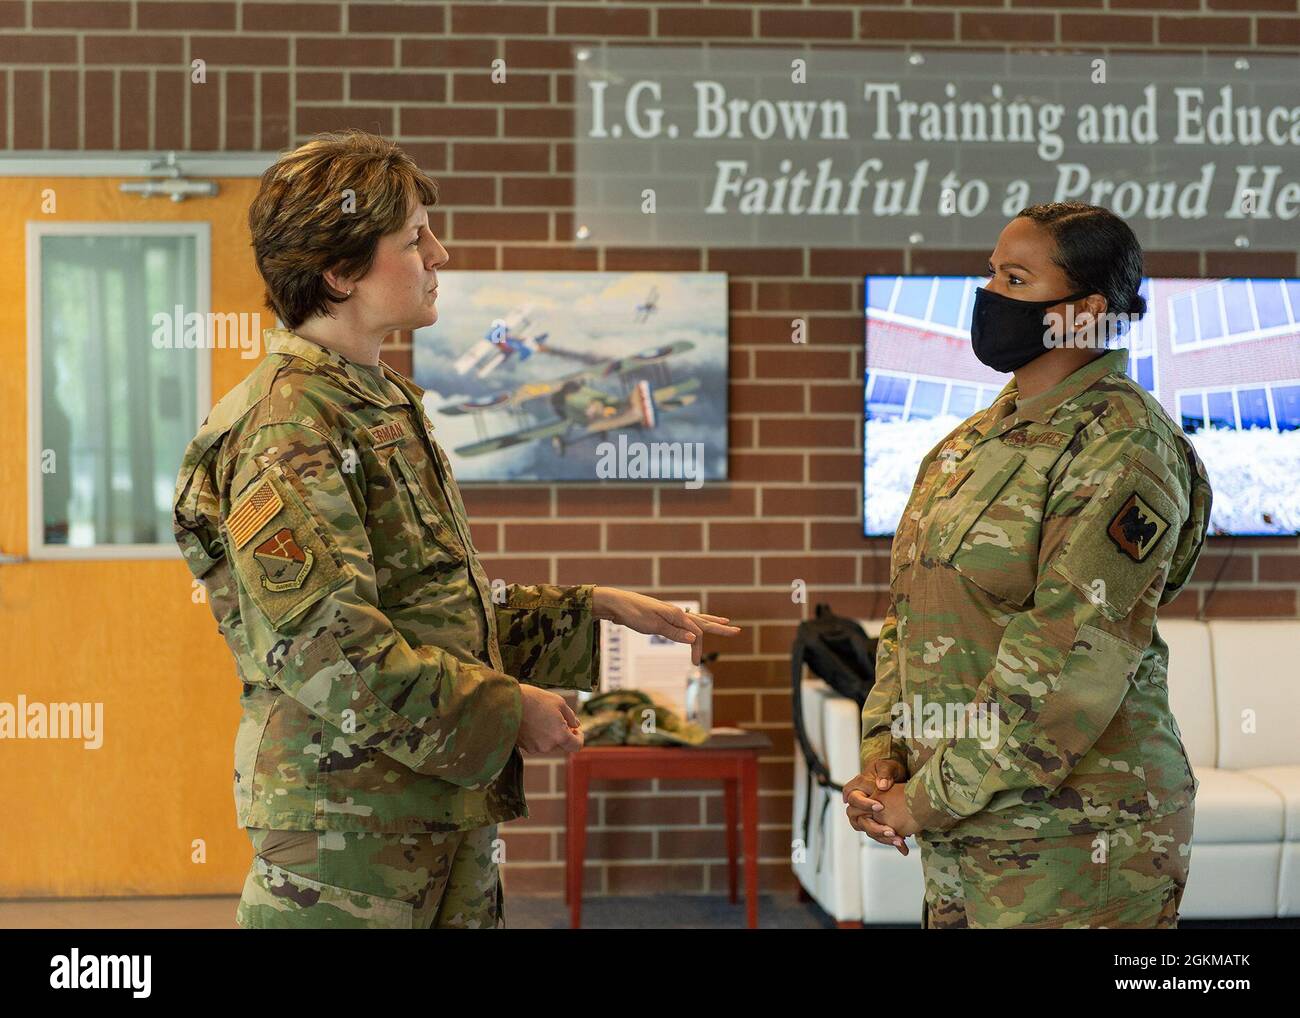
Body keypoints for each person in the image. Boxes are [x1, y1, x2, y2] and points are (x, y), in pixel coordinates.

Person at [172, 129, 739, 928]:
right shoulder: (288, 426)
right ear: (338, 272)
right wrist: (508, 710)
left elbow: (429, 617)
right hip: (348, 836)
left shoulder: (383, 402)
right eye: (413, 238)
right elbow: (332, 655)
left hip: (431, 804)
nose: (439, 252)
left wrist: (595, 609)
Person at [844, 202, 1212, 929]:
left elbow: (1064, 662)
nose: (988, 297)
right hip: (962, 829)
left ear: (1085, 309)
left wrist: (917, 800)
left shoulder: (1124, 447)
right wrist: (885, 757)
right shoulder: (968, 444)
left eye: (1015, 278)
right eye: (990, 273)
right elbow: (910, 620)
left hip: (1077, 843)